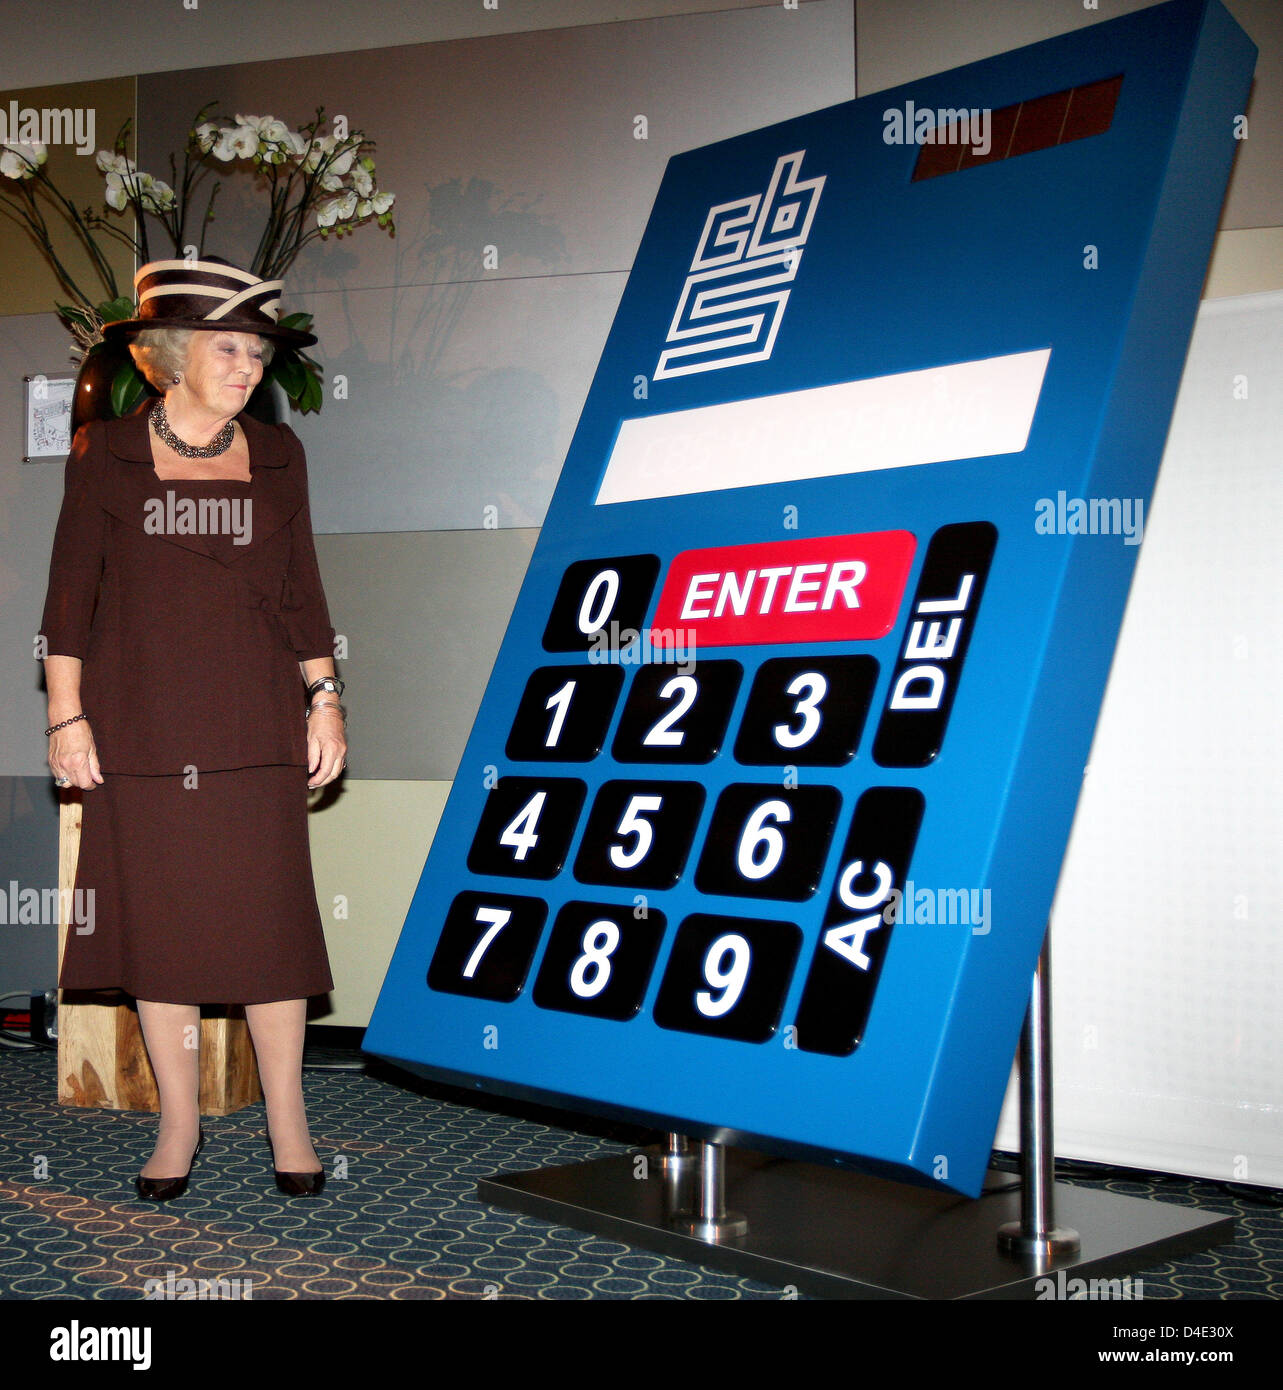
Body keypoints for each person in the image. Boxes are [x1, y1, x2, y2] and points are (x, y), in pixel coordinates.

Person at [41, 257, 346, 1200]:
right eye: (229, 346)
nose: (249, 365)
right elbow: (71, 595)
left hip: (254, 718)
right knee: (161, 931)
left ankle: (289, 1122)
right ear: (168, 354)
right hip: (140, 724)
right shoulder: (106, 452)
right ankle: (179, 1128)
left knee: (268, 927)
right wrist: (67, 717)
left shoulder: (281, 457)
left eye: (257, 349)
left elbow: (301, 587)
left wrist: (326, 696)